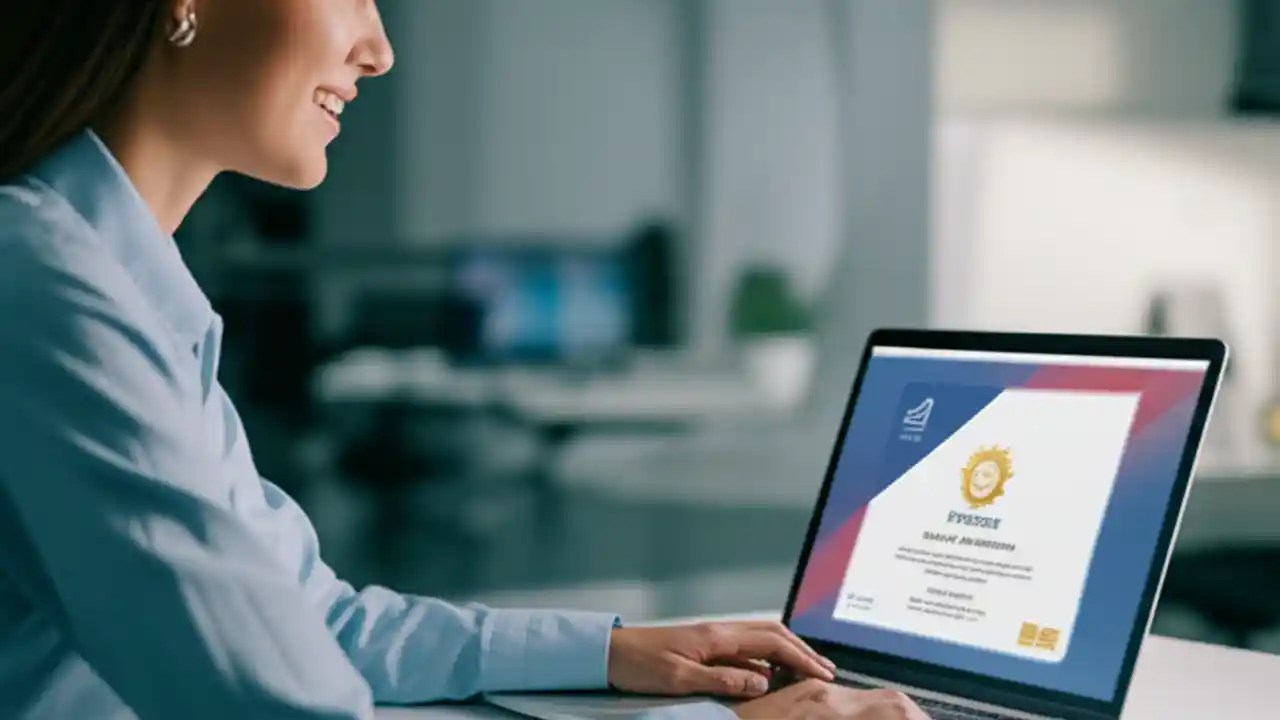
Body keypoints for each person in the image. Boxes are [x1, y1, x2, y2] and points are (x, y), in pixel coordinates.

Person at [0, 3, 929, 719]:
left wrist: (613, 653)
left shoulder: (116, 287)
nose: (377, 48)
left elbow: (314, 621)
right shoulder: (45, 287)